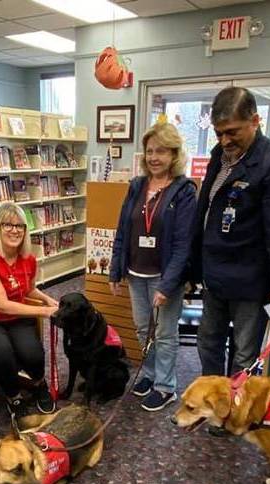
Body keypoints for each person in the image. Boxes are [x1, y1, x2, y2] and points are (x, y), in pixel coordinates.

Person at [191, 86, 270, 380]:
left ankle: (236, 413)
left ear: (255, 121)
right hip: (214, 274)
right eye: (219, 133)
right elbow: (206, 211)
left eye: (232, 132)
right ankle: (212, 402)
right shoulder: (220, 154)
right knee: (208, 343)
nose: (225, 140)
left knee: (244, 352)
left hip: (249, 279)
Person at [108, 122, 197, 412]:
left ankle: (166, 386)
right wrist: (115, 269)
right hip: (135, 272)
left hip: (164, 276)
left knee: (165, 334)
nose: (154, 157)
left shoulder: (184, 191)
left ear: (174, 154)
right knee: (142, 328)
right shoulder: (136, 186)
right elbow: (123, 229)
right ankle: (149, 374)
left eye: (161, 151)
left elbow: (184, 244)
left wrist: (168, 284)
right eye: (149, 151)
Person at [0, 203, 59, 420]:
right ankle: (13, 395)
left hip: (16, 319)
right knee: (2, 351)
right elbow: (1, 305)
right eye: (8, 224)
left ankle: (38, 384)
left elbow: (28, 289)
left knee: (32, 353)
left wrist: (47, 300)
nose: (15, 230)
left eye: (20, 226)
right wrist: (43, 313)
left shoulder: (28, 259)